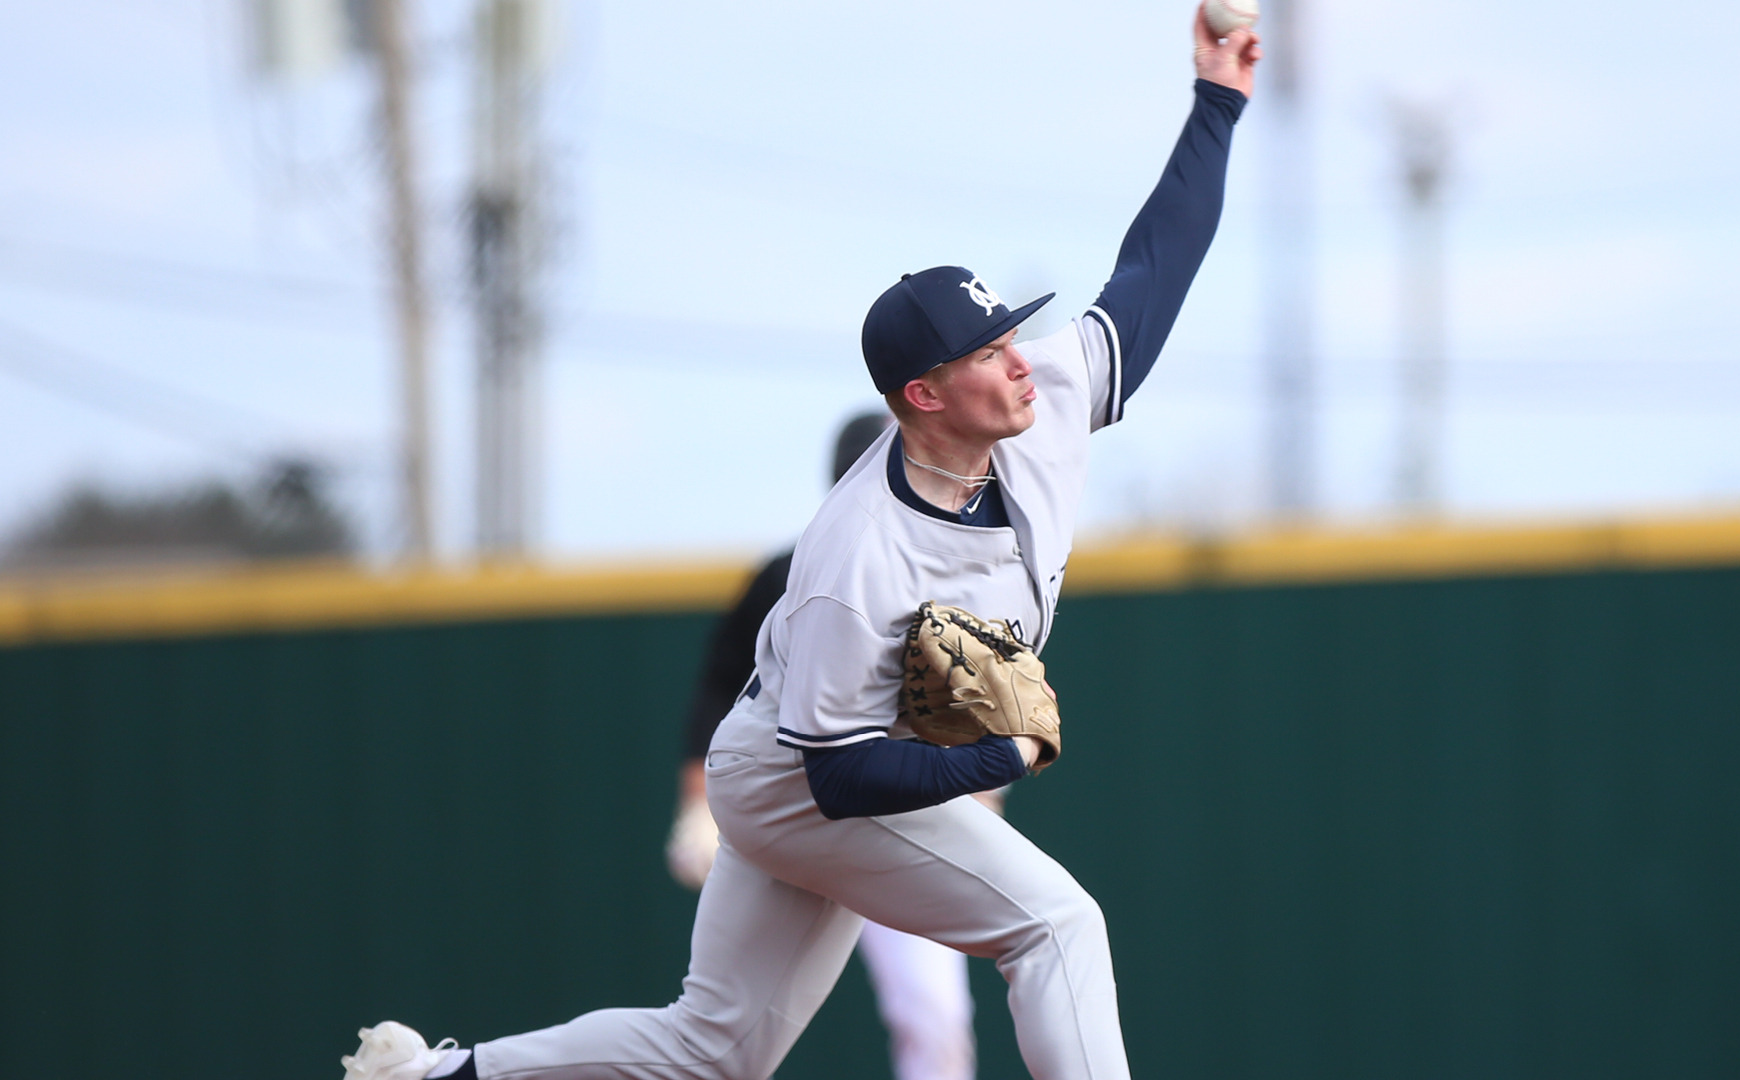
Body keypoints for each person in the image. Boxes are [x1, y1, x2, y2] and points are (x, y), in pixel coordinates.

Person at [340, 10, 1258, 1080]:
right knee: (1055, 925)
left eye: (1011, 333)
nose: (1019, 360)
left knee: (713, 1050)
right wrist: (991, 756)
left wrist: (1217, 102)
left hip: (803, 758)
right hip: (798, 778)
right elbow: (842, 779)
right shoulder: (852, 558)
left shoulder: (1043, 398)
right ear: (923, 394)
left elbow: (1156, 269)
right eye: (988, 349)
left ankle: (442, 1077)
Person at [665, 411, 989, 1080]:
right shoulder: (791, 573)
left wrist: (978, 801)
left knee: (935, 1018)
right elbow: (719, 690)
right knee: (722, 1041)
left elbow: (979, 707)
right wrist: (698, 804)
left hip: (905, 826)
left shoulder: (950, 571)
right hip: (798, 825)